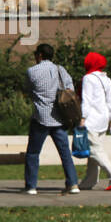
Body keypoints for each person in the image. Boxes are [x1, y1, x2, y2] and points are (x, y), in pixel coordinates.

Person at [23, 42, 79, 195]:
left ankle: (31, 186)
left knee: (33, 153)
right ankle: (73, 183)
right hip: (59, 118)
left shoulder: (32, 71)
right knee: (65, 153)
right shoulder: (60, 70)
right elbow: (70, 89)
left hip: (40, 117)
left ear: (40, 55)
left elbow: (28, 90)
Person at [78, 50, 111, 191]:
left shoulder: (88, 78)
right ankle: (89, 181)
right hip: (103, 120)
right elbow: (110, 101)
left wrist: (83, 117)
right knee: (95, 152)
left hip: (91, 120)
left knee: (94, 151)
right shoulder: (107, 79)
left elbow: (87, 100)